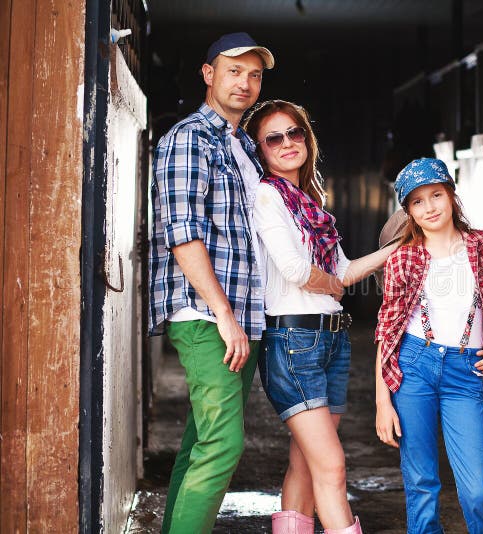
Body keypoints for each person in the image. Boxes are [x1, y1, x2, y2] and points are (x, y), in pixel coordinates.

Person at [244, 99, 397, 534]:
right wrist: (333, 284)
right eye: (274, 138)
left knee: (307, 464)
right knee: (332, 467)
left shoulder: (311, 203)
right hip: (295, 345)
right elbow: (298, 272)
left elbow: (343, 270)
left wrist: (395, 250)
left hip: (330, 341)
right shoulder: (268, 195)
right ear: (261, 150)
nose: (287, 143)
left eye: (294, 132)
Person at [148, 32, 274, 534]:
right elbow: (184, 236)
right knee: (223, 444)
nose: (245, 83)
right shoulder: (187, 139)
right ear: (208, 74)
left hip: (238, 315)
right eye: (233, 71)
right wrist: (224, 315)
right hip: (207, 315)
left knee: (202, 438)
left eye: (255, 74)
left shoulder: (242, 143)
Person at [374, 158, 483, 533]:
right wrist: (382, 402)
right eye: (417, 201)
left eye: (436, 195)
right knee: (422, 485)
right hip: (414, 367)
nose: (429, 207)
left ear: (451, 195)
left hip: (465, 373)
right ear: (408, 210)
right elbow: (386, 330)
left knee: (477, 490)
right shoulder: (404, 257)